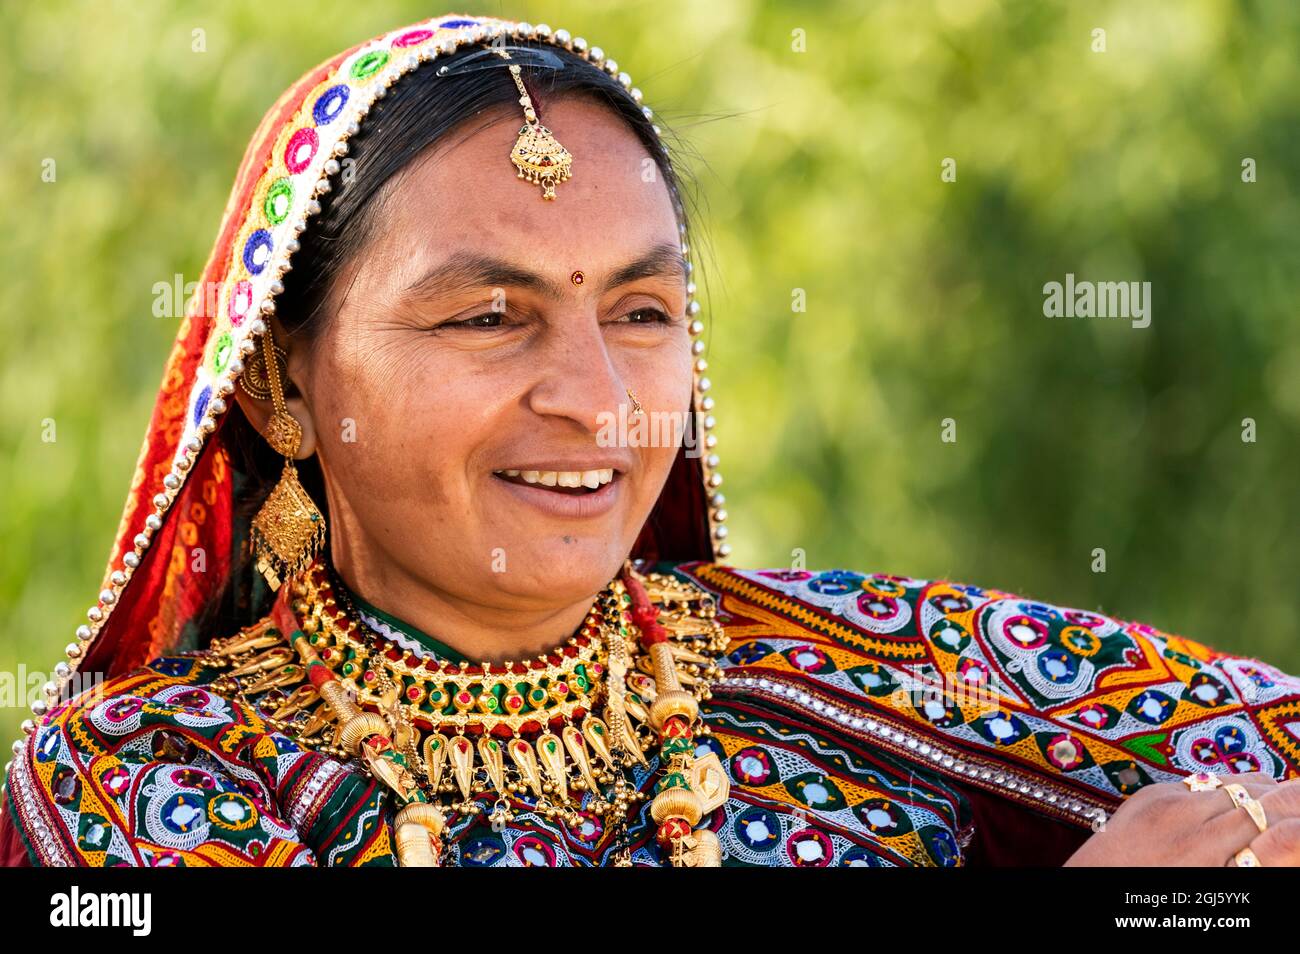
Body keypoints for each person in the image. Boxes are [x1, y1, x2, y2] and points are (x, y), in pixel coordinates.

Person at [3, 13, 1297, 868]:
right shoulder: (134, 788)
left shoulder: (863, 675)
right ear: (282, 386)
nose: (595, 392)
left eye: (641, 310)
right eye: (491, 315)